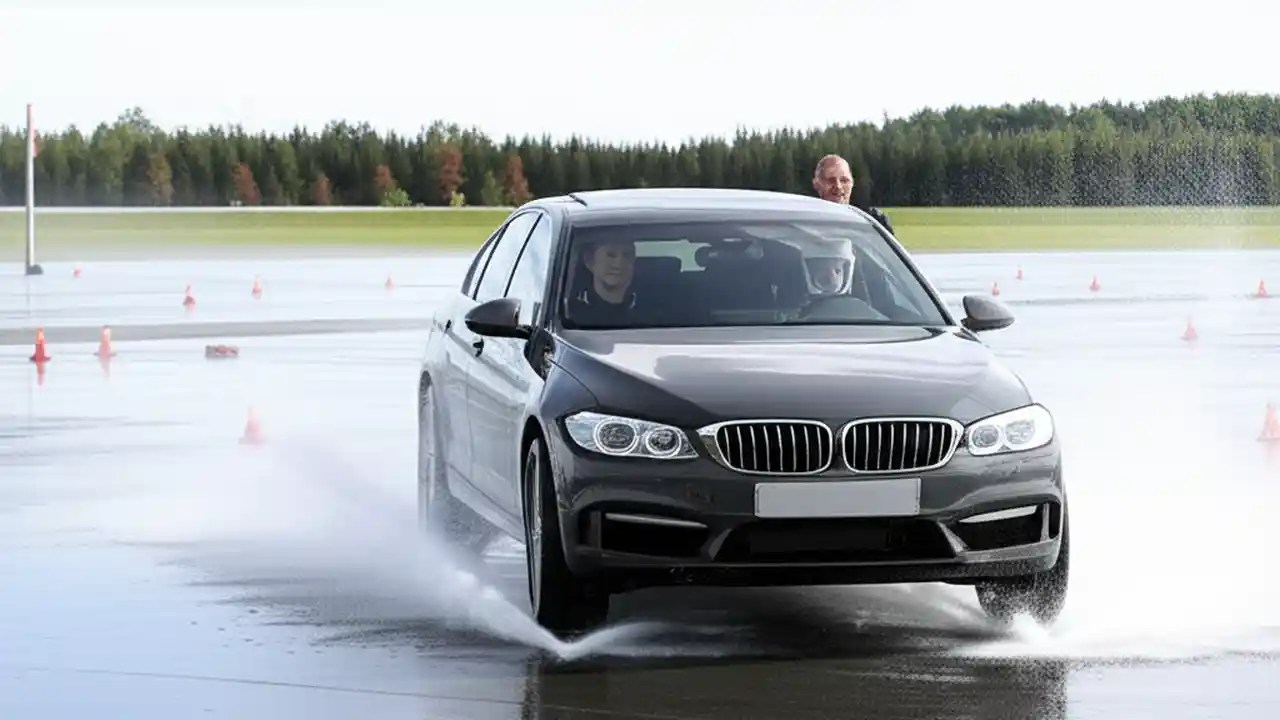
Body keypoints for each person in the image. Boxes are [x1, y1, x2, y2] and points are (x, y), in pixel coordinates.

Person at [811, 154, 894, 234]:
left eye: (844, 180)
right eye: (831, 180)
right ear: (816, 184)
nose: (838, 186)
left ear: (852, 183)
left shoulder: (873, 222)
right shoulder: (805, 222)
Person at [566, 237, 640, 326]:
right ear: (589, 260)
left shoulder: (650, 312)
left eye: (627, 255)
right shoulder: (570, 315)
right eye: (611, 255)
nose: (619, 263)